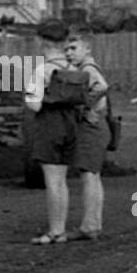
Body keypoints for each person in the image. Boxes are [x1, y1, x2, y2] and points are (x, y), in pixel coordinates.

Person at [23, 22, 109, 243]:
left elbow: (33, 105)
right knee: (66, 180)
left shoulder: (43, 70)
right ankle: (79, 226)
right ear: (63, 44)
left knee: (54, 181)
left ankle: (56, 230)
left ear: (43, 43)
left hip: (50, 126)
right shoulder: (77, 71)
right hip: (73, 126)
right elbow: (96, 98)